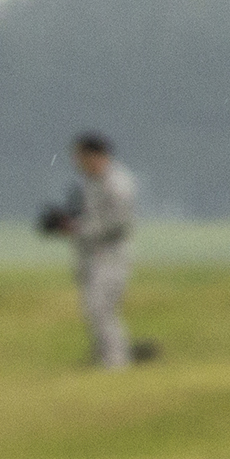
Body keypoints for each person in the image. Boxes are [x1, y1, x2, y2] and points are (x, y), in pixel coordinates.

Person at [38, 131, 141, 368]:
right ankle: (104, 356)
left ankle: (116, 361)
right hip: (89, 256)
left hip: (111, 256)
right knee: (93, 309)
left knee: (101, 308)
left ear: (95, 155)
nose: (77, 162)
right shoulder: (90, 183)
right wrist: (67, 221)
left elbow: (118, 224)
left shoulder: (118, 184)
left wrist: (76, 228)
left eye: (81, 157)